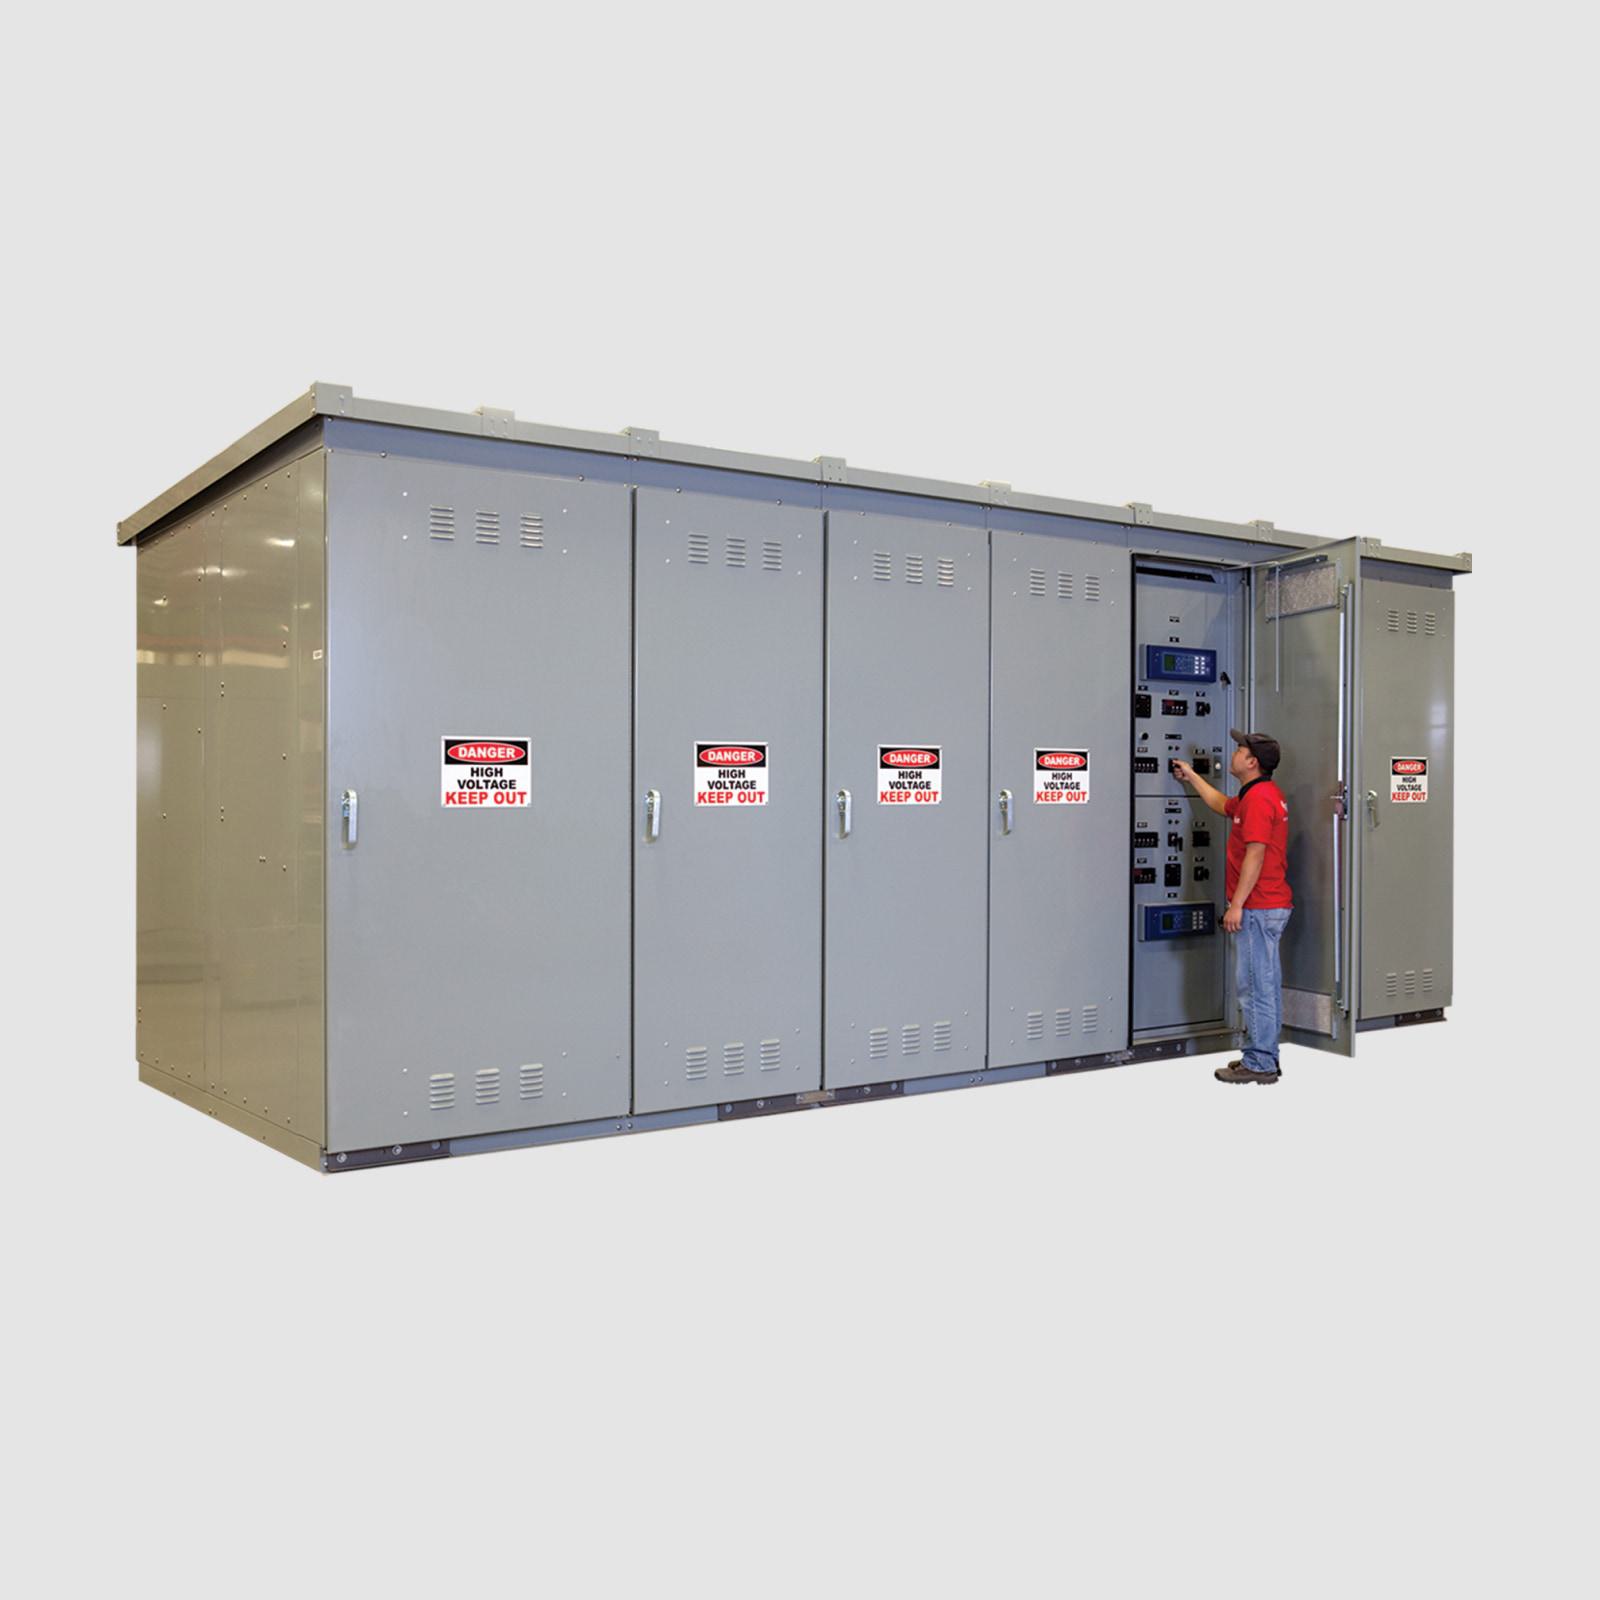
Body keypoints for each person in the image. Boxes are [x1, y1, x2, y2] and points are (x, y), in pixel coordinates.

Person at [1171, 731, 1293, 1084]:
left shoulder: (1259, 800)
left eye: (1240, 750)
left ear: (1252, 762)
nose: (1234, 754)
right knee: (1264, 984)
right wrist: (1193, 776)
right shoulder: (1257, 794)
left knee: (1254, 987)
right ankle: (1263, 1055)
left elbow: (1256, 854)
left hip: (1258, 906)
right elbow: (1222, 804)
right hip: (1267, 904)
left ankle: (1261, 1063)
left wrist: (1236, 905)